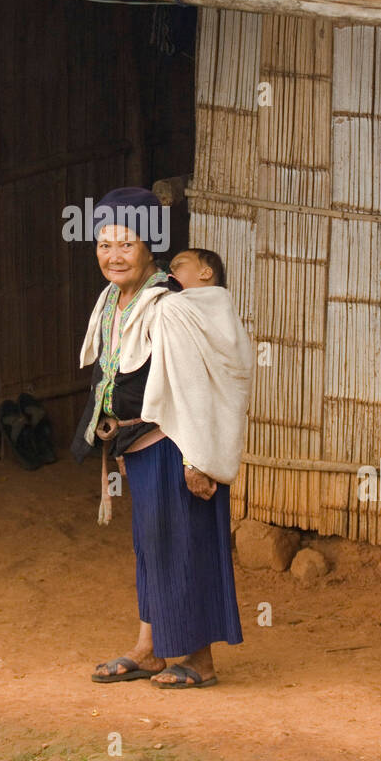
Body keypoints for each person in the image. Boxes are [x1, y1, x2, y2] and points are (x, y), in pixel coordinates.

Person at [70, 187, 254, 689]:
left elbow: (195, 387)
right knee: (151, 545)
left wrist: (196, 458)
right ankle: (149, 649)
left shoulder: (170, 305)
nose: (113, 255)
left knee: (182, 543)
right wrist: (117, 444)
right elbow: (114, 376)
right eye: (105, 245)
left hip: (177, 446)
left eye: (125, 245)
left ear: (149, 247)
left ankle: (199, 660)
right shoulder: (113, 299)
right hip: (140, 445)